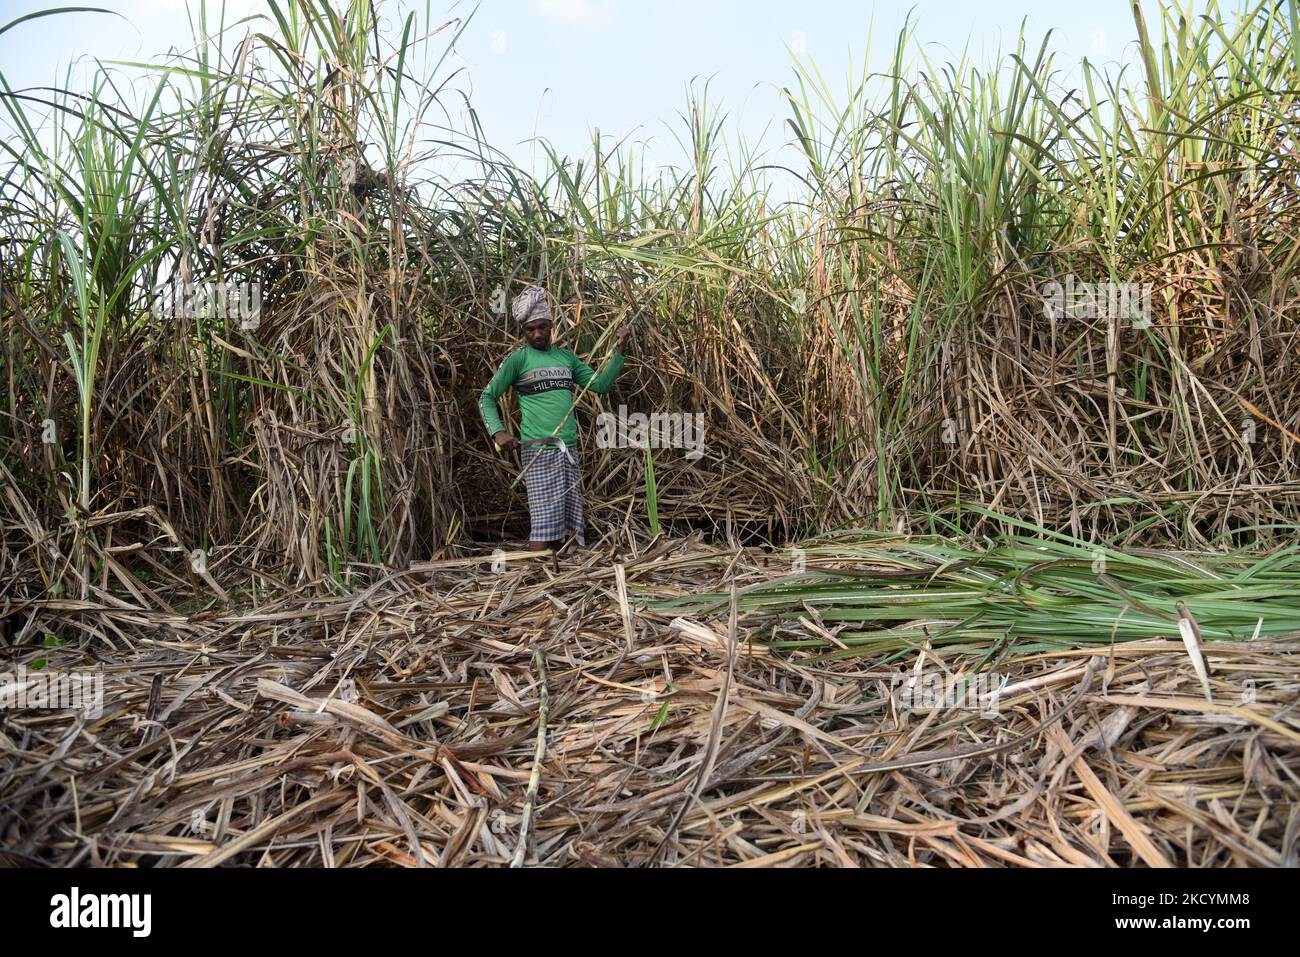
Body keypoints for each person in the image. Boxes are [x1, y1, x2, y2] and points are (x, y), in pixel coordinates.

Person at [478, 285, 630, 553]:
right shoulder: (519, 360)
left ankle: (559, 580)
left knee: (566, 527)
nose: (537, 334)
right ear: (523, 331)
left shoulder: (566, 359)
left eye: (542, 327)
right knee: (544, 524)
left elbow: (600, 385)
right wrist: (498, 432)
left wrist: (620, 351)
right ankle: (530, 579)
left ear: (552, 325)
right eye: (530, 329)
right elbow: (487, 397)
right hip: (539, 451)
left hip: (568, 450)